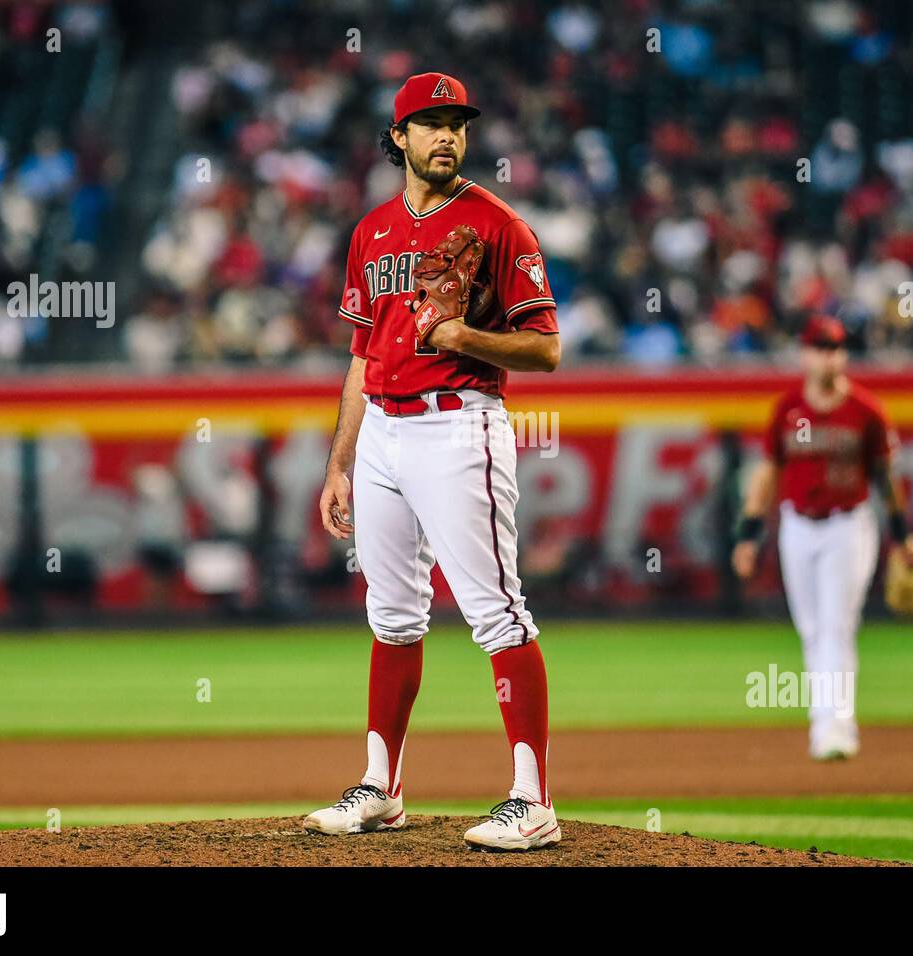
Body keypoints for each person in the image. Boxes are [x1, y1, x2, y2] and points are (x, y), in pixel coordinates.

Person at [305, 73, 563, 850]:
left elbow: (547, 349)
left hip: (459, 427)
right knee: (391, 616)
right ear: (399, 139)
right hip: (380, 429)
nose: (446, 136)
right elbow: (360, 355)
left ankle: (533, 799)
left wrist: (467, 339)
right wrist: (341, 461)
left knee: (497, 613)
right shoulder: (371, 230)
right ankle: (381, 788)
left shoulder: (498, 224)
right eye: (429, 123)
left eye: (456, 124)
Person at [732, 316, 913, 759]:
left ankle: (834, 729)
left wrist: (901, 534)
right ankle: (828, 724)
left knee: (836, 626)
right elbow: (768, 471)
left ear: (844, 354)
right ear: (804, 353)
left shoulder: (866, 410)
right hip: (797, 525)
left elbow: (885, 476)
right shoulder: (787, 409)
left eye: (835, 347)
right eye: (820, 347)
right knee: (812, 630)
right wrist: (748, 534)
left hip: (848, 525)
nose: (828, 355)